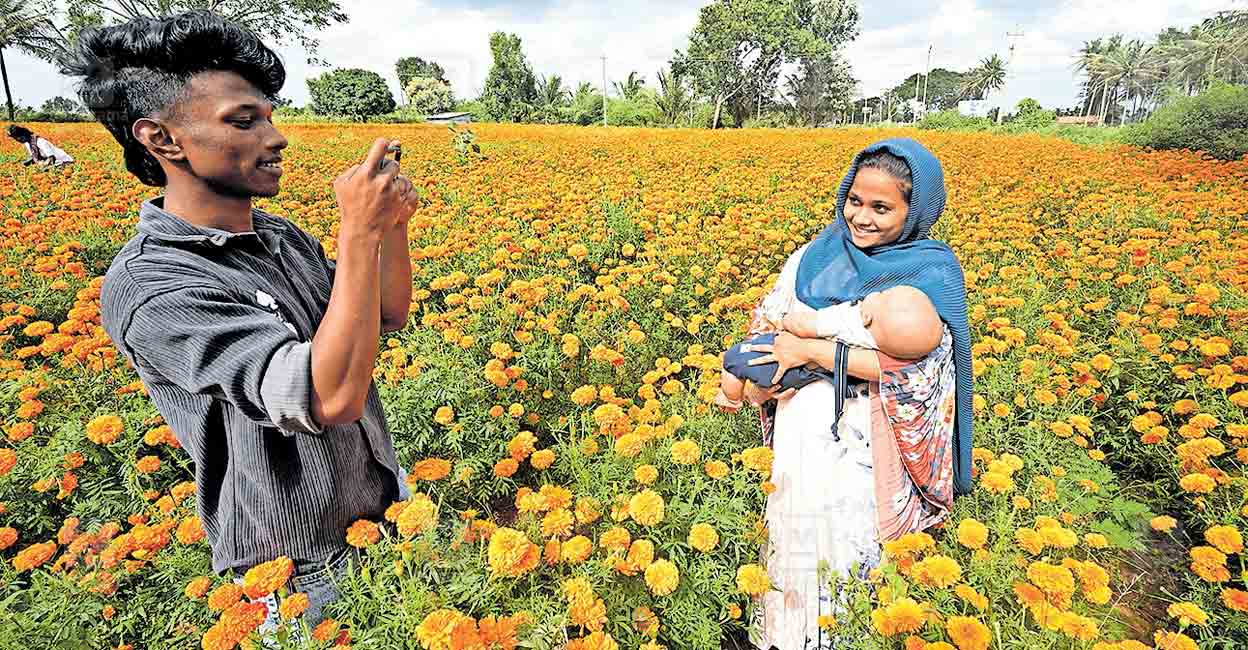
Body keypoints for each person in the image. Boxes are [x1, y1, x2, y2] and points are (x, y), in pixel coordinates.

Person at [62, 11, 420, 630]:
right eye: (244, 120)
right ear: (163, 140)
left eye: (270, 115)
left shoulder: (278, 237)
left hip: (384, 513)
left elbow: (385, 314)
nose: (275, 136)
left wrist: (390, 228)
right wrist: (357, 232)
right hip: (300, 569)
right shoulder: (153, 285)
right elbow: (324, 394)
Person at [726, 139, 973, 650]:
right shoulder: (814, 256)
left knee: (850, 541)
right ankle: (786, 635)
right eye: (855, 201)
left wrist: (813, 352)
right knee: (795, 525)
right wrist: (756, 362)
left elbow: (921, 371)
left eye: (882, 208)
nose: (862, 217)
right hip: (802, 424)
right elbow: (769, 317)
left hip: (870, 436)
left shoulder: (929, 272)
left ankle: (850, 635)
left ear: (914, 211)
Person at [7, 124, 74, 167]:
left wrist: (43, 165)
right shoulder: (27, 143)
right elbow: (34, 157)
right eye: (15, 139)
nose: (18, 140)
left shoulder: (40, 141)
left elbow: (51, 158)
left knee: (44, 171)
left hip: (63, 161)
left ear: (23, 134)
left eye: (17, 138)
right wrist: (25, 163)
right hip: (51, 163)